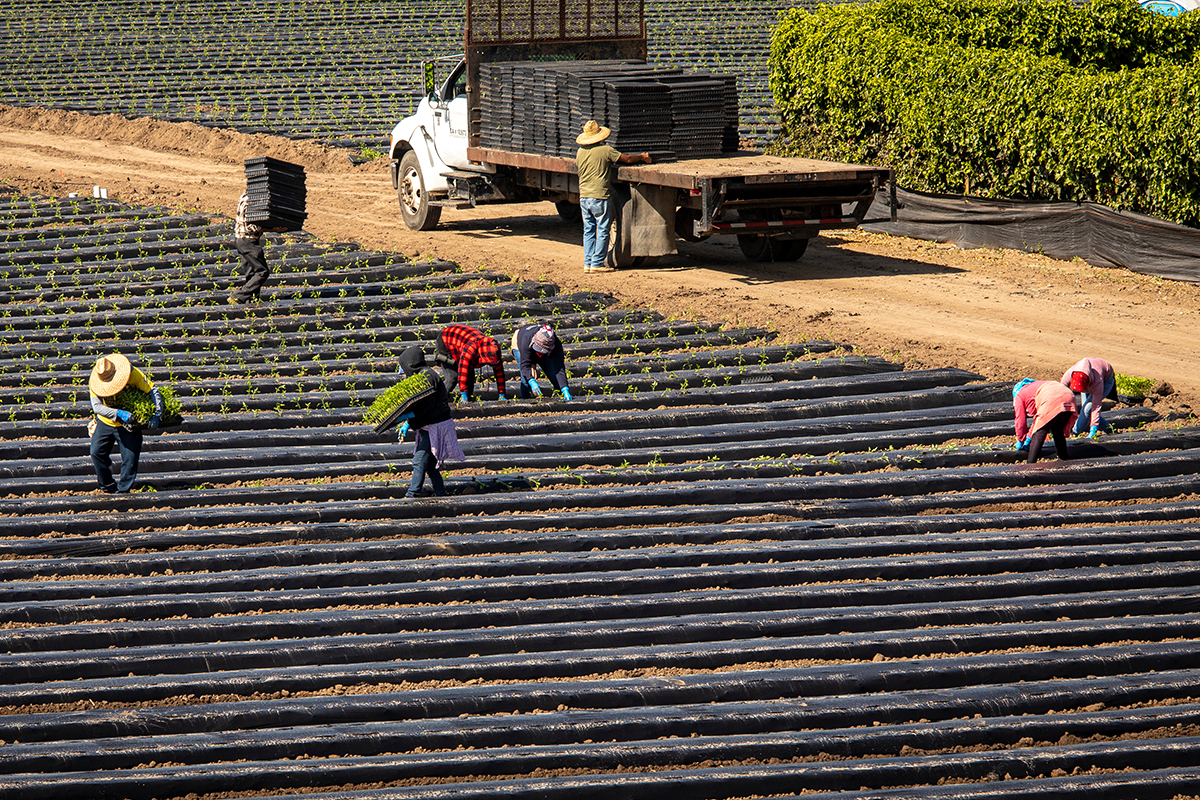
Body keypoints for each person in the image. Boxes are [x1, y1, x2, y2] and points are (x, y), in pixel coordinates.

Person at [575, 119, 651, 274]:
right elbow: (627, 159)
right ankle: (597, 263)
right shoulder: (605, 150)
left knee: (588, 230)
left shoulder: (580, 152)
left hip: (584, 197)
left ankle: (588, 263)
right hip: (599, 196)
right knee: (603, 229)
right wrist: (642, 157)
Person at [88, 353, 163, 493]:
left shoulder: (132, 373)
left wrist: (157, 413)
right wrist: (118, 413)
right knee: (96, 452)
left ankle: (123, 490)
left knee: (130, 457)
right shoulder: (96, 379)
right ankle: (107, 486)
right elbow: (97, 407)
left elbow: (152, 390)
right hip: (106, 421)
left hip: (129, 423)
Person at [395, 346, 464, 499]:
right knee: (431, 466)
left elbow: (427, 406)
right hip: (432, 424)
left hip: (436, 425)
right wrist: (408, 421)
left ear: (410, 364)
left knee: (419, 461)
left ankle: (412, 494)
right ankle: (441, 493)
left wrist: (409, 417)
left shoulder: (427, 376)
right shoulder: (423, 375)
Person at [230, 191, 286, 304]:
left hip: (239, 239)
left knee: (251, 272)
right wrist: (275, 229)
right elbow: (254, 227)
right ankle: (239, 296)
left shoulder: (244, 196)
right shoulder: (254, 202)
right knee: (262, 271)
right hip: (248, 240)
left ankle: (252, 300)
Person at [434, 323, 507, 402]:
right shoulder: (471, 348)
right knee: (452, 377)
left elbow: (499, 372)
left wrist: (501, 393)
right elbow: (463, 370)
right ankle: (439, 402)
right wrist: (463, 393)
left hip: (461, 342)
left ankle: (469, 401)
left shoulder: (494, 348)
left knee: (470, 378)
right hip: (447, 339)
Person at [1012, 378, 1078, 464]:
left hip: (1051, 399)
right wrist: (1028, 438)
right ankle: (1064, 459)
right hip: (1069, 396)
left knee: (1039, 434)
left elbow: (1020, 420)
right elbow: (1038, 418)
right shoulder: (1036, 386)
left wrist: (1020, 439)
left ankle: (1030, 466)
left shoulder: (1019, 395)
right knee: (1057, 430)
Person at [511, 322, 572, 400]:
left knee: (553, 375)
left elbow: (559, 367)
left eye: (542, 352)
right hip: (519, 341)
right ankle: (525, 400)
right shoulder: (526, 341)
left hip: (544, 350)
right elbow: (525, 366)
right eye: (539, 351)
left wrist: (565, 388)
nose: (539, 355)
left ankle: (562, 395)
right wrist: (531, 381)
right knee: (526, 378)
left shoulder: (555, 344)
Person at [1060, 357, 1117, 437]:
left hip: (1106, 379)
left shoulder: (1097, 381)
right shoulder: (1069, 374)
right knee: (1086, 413)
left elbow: (1096, 407)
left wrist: (1093, 429)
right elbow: (1061, 395)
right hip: (1088, 382)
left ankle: (1075, 432)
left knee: (1088, 408)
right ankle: (1110, 429)